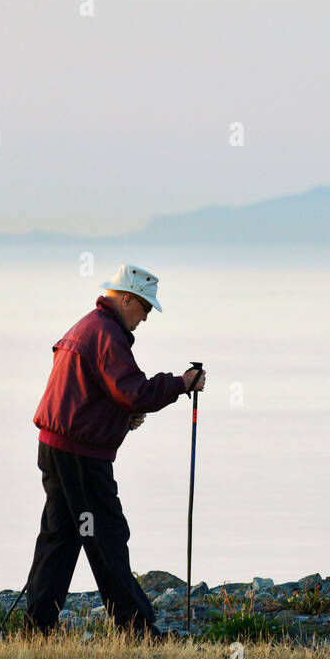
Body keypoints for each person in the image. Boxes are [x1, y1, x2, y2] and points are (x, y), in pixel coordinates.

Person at [24, 263, 205, 639]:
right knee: (105, 533)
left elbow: (89, 395)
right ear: (126, 300)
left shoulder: (87, 326)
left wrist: (119, 419)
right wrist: (182, 383)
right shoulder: (107, 334)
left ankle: (37, 628)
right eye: (145, 308)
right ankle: (134, 628)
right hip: (81, 458)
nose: (146, 318)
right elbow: (133, 391)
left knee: (62, 536)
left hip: (57, 449)